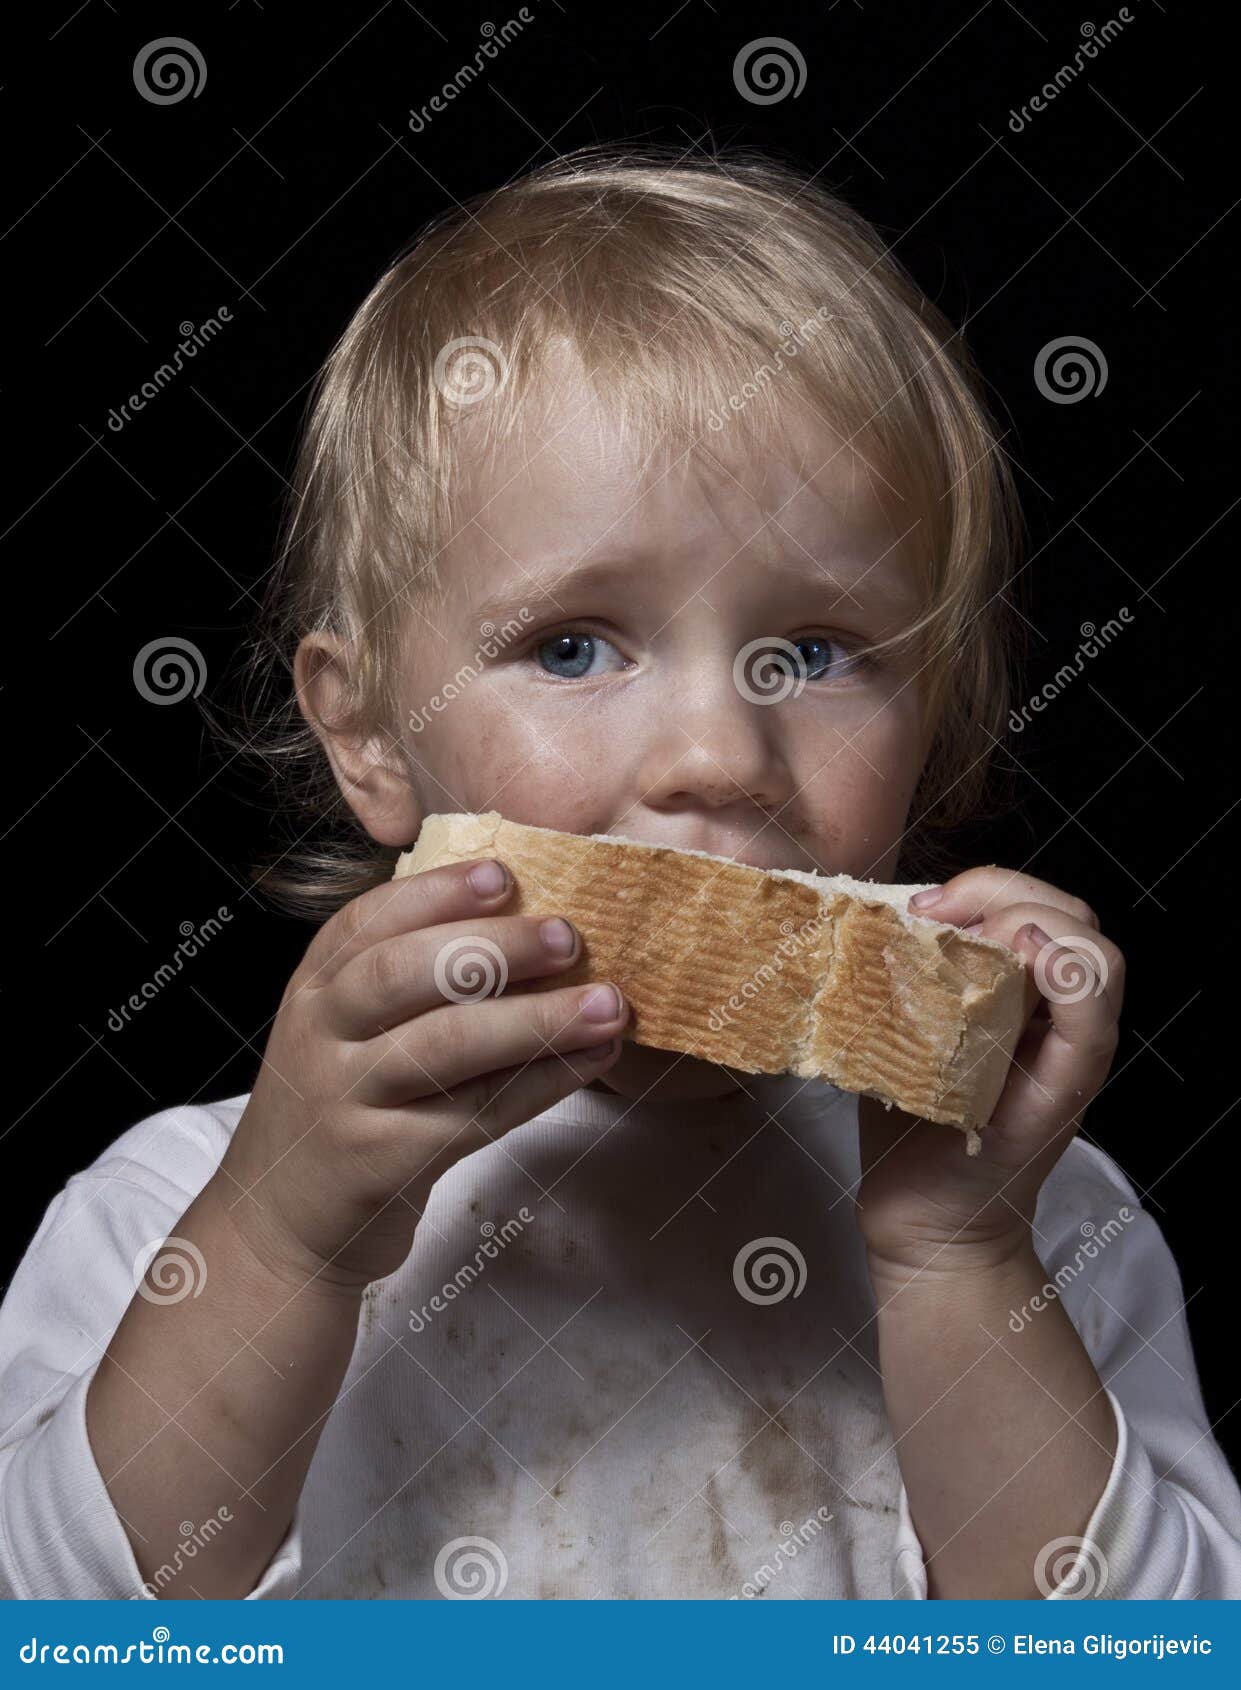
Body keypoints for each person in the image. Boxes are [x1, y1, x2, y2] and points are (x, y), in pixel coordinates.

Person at [2, 145, 1238, 1601]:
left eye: (816, 652)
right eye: (572, 644)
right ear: (367, 732)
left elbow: (1138, 1653)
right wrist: (282, 1240)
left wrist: (951, 1260)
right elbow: (60, 1629)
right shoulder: (178, 1211)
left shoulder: (1040, 1210)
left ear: (938, 733)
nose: (719, 753)